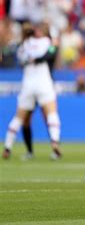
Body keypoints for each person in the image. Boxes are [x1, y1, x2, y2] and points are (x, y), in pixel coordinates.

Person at [3, 23, 62, 160]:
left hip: (28, 84)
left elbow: (10, 53)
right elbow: (51, 53)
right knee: (51, 114)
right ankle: (54, 143)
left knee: (20, 118)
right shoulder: (48, 42)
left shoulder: (23, 45)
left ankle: (8, 146)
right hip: (44, 82)